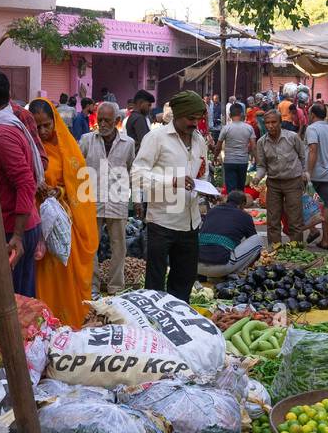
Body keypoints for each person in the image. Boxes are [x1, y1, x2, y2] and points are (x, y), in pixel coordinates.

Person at [131, 90, 209, 301]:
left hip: (190, 221)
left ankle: (178, 323)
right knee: (155, 282)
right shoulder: (156, 138)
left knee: (184, 280)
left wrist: (206, 188)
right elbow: (137, 175)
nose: (194, 123)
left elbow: (203, 170)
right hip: (162, 222)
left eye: (198, 119)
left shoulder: (199, 140)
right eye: (190, 118)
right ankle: (153, 326)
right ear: (177, 114)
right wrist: (171, 181)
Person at [30, 98, 98, 328]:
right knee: (45, 277)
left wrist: (57, 191)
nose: (42, 131)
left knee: (66, 274)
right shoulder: (29, 148)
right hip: (38, 226)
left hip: (64, 226)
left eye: (46, 125)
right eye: (37, 127)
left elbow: (81, 187)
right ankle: (46, 325)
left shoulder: (69, 149)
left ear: (55, 122)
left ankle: (73, 322)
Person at [0, 68, 43, 296]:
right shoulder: (4, 125)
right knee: (20, 297)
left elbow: (25, 183)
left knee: (15, 300)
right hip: (16, 223)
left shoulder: (0, 134)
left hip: (15, 227)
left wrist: (17, 235)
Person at [80, 102, 136, 295]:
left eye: (107, 120)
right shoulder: (86, 140)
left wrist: (134, 198)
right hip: (91, 200)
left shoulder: (128, 144)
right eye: (100, 119)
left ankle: (115, 287)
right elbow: (78, 168)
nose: (102, 124)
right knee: (91, 248)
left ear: (117, 121)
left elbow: (131, 170)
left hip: (117, 201)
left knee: (119, 247)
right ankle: (92, 286)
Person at [254, 110, 309, 249]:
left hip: (293, 182)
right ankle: (275, 249)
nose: (270, 125)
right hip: (273, 183)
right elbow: (261, 165)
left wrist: (304, 174)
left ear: (280, 123)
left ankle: (296, 250)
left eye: (274, 122)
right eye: (267, 123)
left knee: (295, 219)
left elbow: (303, 157)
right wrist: (257, 177)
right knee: (273, 220)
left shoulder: (292, 137)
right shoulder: (261, 142)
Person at [197, 190, 263, 279]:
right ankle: (235, 273)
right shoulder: (245, 216)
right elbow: (252, 241)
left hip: (196, 265)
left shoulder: (212, 211)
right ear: (242, 205)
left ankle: (204, 274)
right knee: (258, 240)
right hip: (221, 267)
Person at [304, 102, 328, 250]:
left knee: (303, 203)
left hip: (313, 174)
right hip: (327, 173)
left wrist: (308, 173)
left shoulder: (311, 129)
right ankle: (325, 240)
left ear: (312, 115)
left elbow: (313, 150)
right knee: (326, 207)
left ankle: (313, 230)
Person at [215, 102, 256, 198]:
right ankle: (239, 208)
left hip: (229, 161)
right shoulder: (249, 128)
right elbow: (254, 147)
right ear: (242, 114)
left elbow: (218, 146)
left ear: (229, 115)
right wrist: (256, 160)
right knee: (240, 188)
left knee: (231, 190)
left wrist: (215, 157)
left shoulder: (226, 128)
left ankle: (232, 208)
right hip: (243, 161)